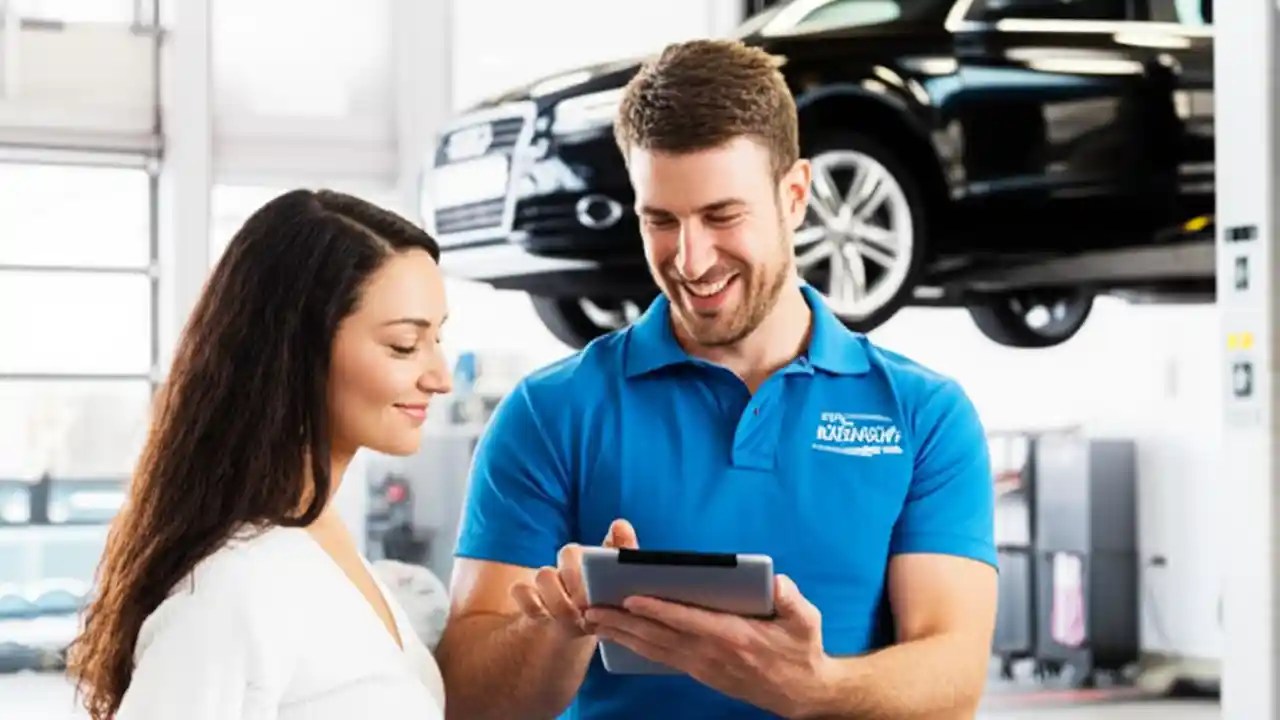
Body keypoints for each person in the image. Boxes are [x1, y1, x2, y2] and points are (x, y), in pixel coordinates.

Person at [436, 38, 998, 720]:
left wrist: (815, 689)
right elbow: (469, 701)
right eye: (661, 221)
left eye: (722, 216)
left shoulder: (924, 415)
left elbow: (953, 681)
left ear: (795, 196)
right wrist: (558, 629)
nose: (691, 260)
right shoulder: (549, 414)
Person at [67, 189, 453, 720]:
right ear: (299, 350)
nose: (440, 378)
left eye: (438, 339)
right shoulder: (233, 586)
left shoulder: (323, 542)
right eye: (404, 345)